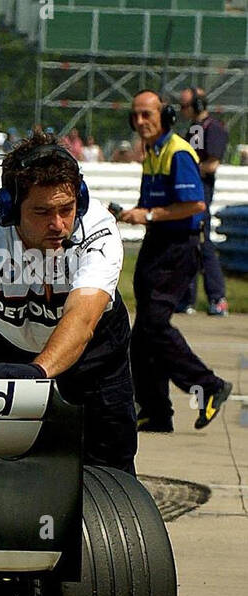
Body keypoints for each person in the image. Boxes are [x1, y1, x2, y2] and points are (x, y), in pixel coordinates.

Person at [0, 130, 136, 472]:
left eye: (67, 209)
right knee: (16, 468)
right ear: (10, 209)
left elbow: (82, 319)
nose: (58, 224)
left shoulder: (99, 227)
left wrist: (36, 373)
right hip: (7, 348)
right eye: (42, 212)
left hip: (93, 352)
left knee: (110, 466)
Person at [118, 90, 232, 432]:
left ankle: (208, 385)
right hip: (158, 243)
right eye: (135, 116)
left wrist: (148, 215)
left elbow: (195, 205)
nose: (140, 122)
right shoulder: (152, 152)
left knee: (154, 326)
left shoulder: (177, 152)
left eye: (147, 115)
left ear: (164, 116)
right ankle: (155, 410)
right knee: (141, 337)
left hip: (177, 248)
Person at [178, 86, 229, 316]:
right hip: (187, 191)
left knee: (203, 242)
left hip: (201, 192)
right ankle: (186, 298)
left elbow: (212, 164)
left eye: (185, 106)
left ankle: (217, 297)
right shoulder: (193, 129)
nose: (182, 110)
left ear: (198, 105)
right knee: (188, 243)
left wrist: (188, 170)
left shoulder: (214, 128)